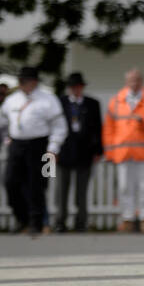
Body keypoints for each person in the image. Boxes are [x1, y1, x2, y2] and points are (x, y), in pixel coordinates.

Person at [0, 66, 68, 236]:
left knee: (37, 185)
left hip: (39, 145)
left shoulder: (48, 100)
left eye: (26, 80)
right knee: (11, 182)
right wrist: (6, 139)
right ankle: (21, 218)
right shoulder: (12, 100)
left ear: (35, 82)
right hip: (17, 145)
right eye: (21, 81)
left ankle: (36, 222)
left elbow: (59, 126)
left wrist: (53, 148)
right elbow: (3, 123)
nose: (23, 84)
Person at [103, 69, 144, 232]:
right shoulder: (117, 100)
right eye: (131, 80)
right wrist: (110, 152)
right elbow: (109, 128)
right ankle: (128, 218)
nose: (134, 83)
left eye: (137, 80)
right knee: (125, 187)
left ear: (141, 82)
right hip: (124, 152)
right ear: (126, 82)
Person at [55, 72, 102, 232]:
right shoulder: (60, 103)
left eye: (78, 87)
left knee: (81, 191)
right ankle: (60, 221)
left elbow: (97, 128)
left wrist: (98, 150)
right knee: (62, 189)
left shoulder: (92, 104)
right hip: (65, 151)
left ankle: (81, 222)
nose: (76, 90)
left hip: (84, 152)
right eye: (73, 87)